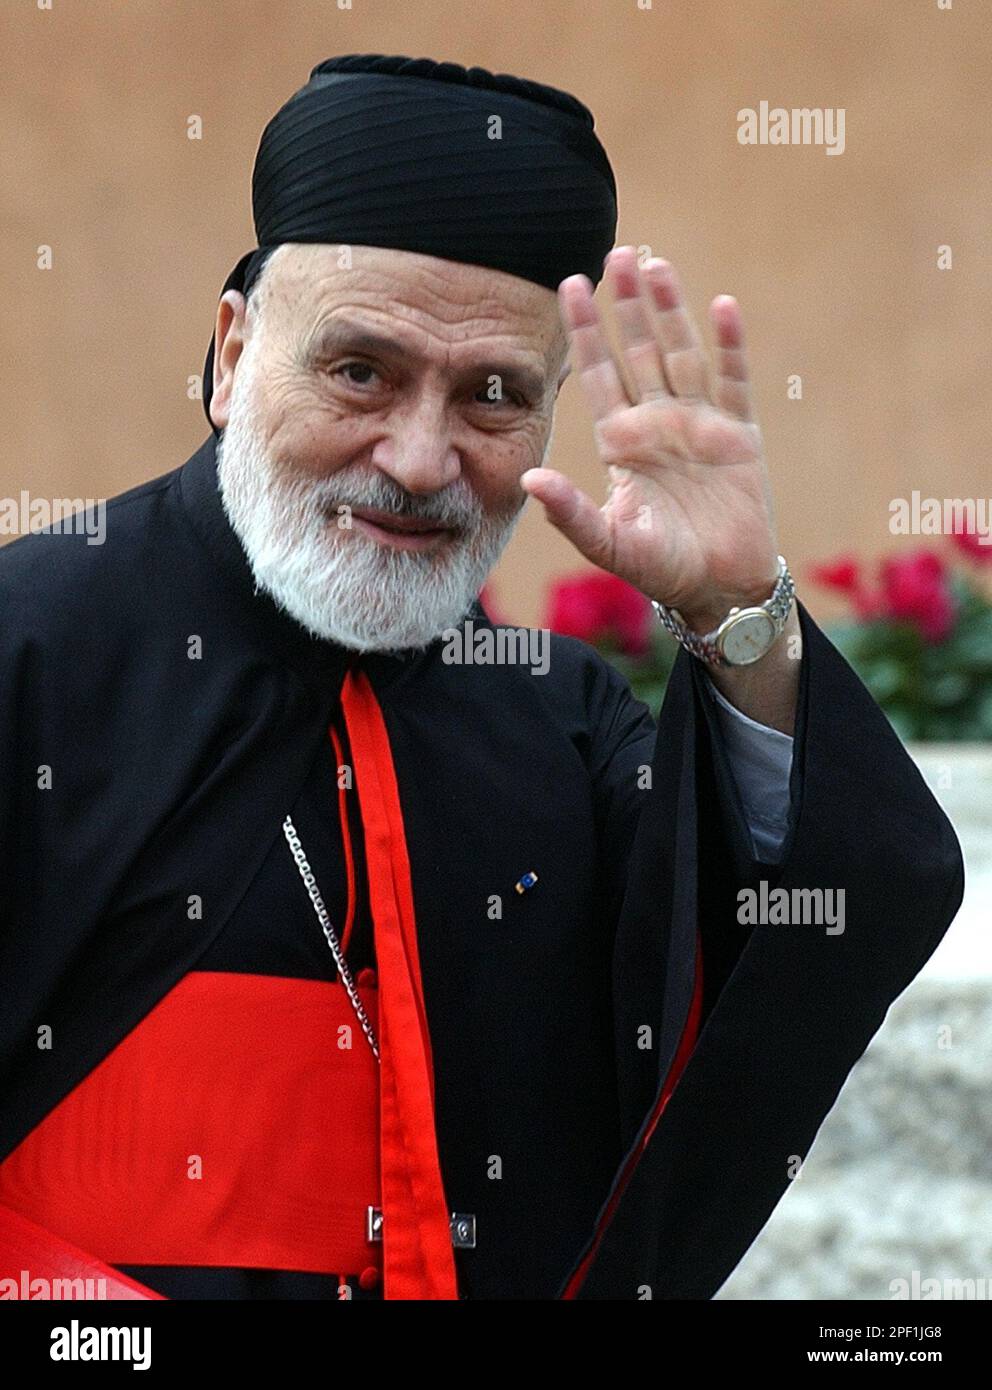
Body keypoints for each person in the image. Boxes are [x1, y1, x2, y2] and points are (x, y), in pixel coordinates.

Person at [0, 54, 964, 1302]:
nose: (416, 459)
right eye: (360, 372)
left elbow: (814, 928)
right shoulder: (28, 651)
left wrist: (733, 609)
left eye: (493, 396)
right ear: (233, 354)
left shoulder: (555, 716)